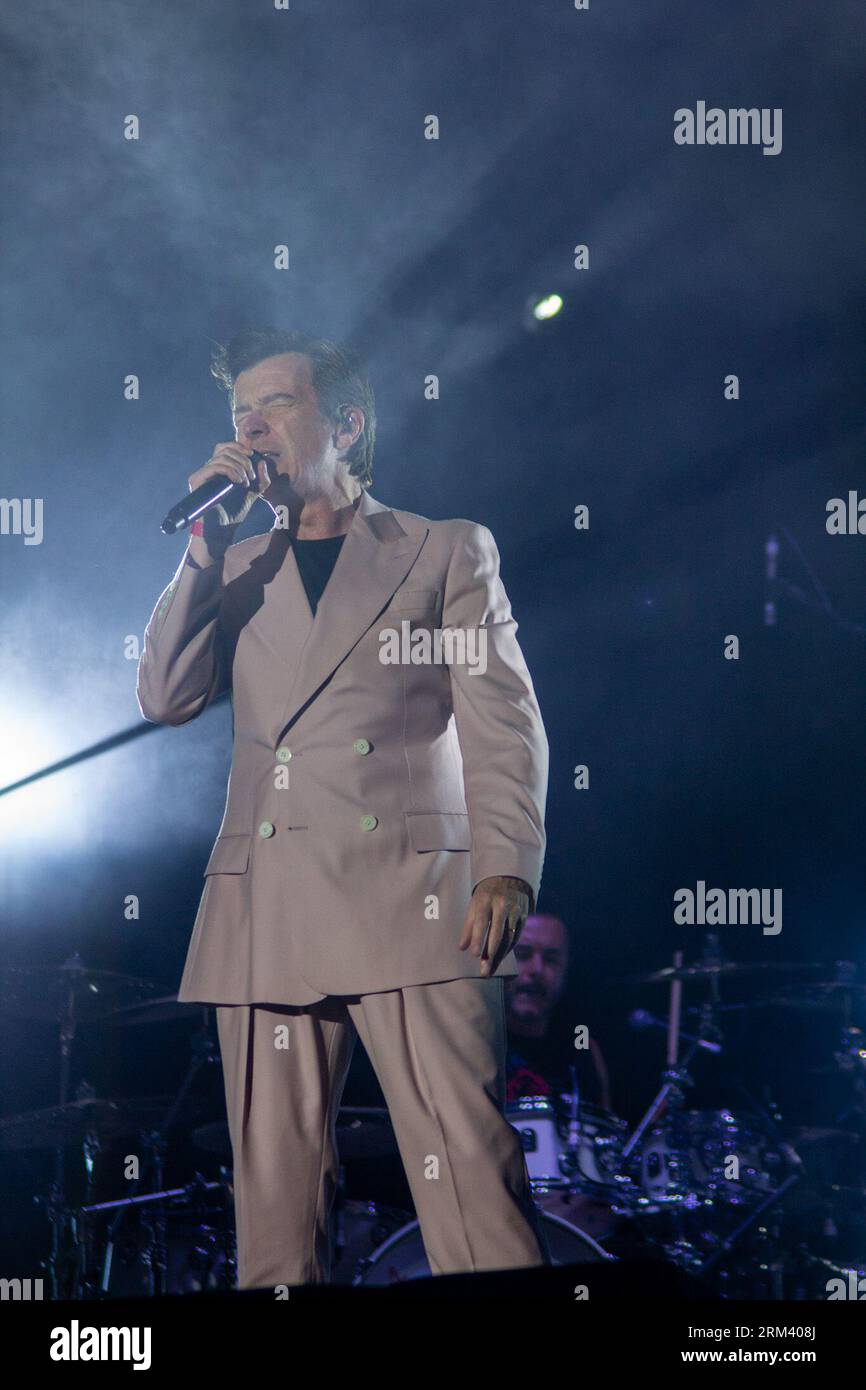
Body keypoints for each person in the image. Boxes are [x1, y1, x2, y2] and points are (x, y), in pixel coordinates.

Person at [137, 328, 550, 1287]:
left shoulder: (444, 549)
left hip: (419, 897)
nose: (250, 425)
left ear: (346, 423)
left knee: (473, 1198)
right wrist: (204, 547)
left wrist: (506, 864)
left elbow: (504, 719)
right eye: (240, 411)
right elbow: (163, 698)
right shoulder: (235, 567)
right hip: (266, 904)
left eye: (274, 404)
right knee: (274, 1226)